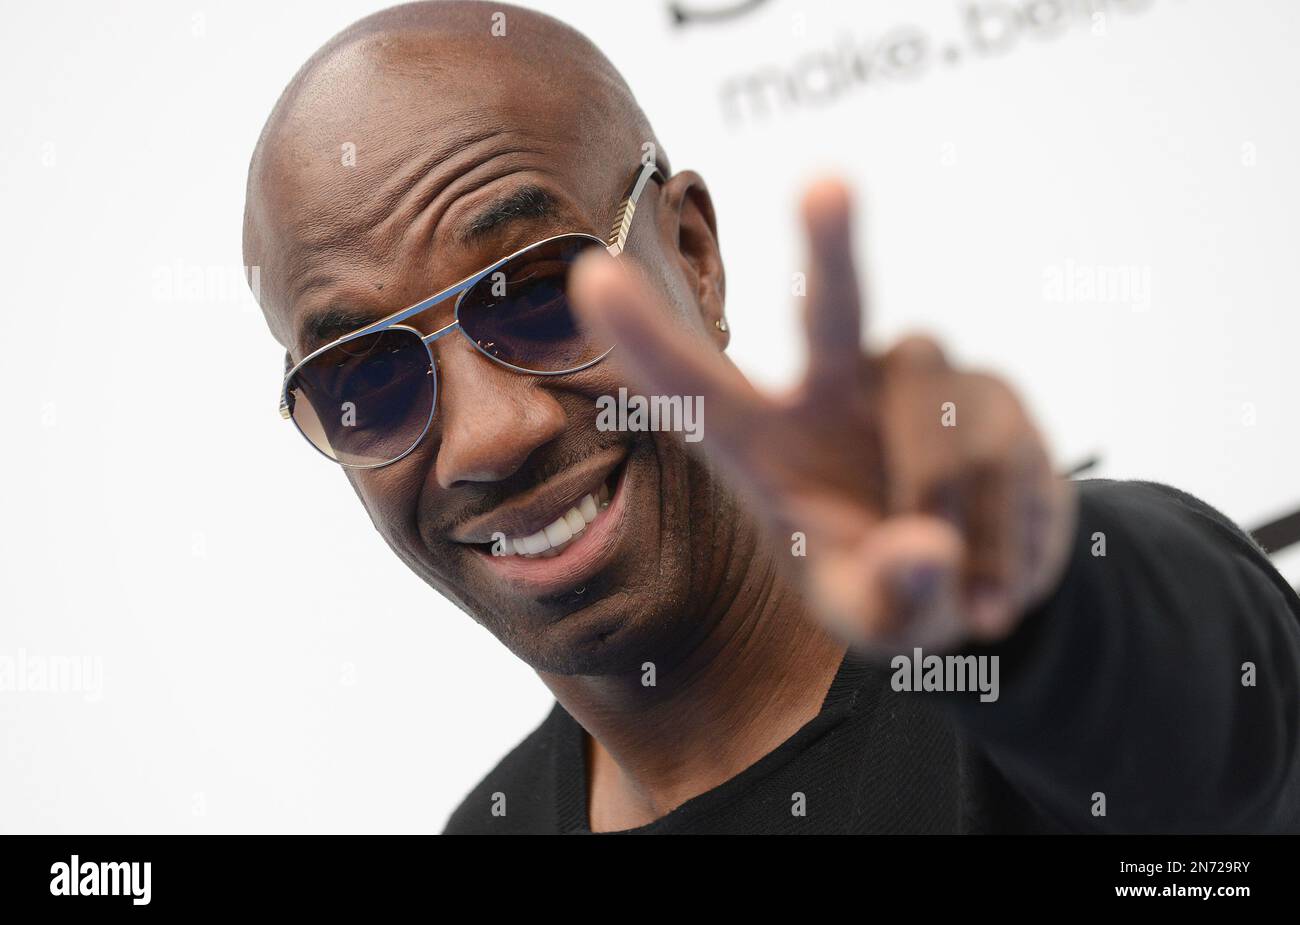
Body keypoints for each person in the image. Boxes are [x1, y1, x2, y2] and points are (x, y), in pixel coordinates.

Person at [242, 1, 1300, 833]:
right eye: (365, 378)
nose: (487, 437)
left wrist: (1038, 616)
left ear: (692, 257)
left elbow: (1226, 755)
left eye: (536, 291)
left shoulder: (1036, 655)